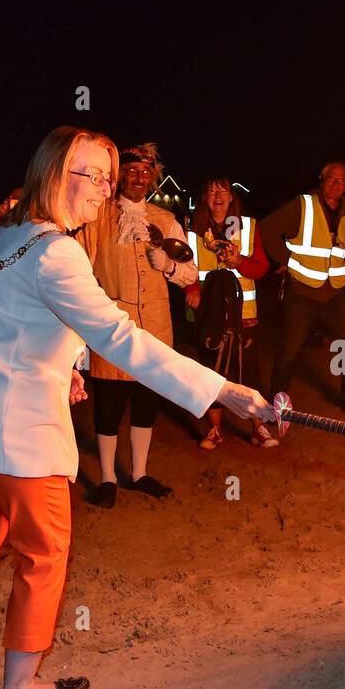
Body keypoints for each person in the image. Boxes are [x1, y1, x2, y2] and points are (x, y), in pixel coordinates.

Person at [0, 127, 274, 689]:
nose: (103, 189)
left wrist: (68, 364)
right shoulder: (57, 250)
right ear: (53, 173)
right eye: (91, 175)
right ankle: (20, 688)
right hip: (16, 436)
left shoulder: (8, 235)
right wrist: (221, 389)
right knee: (44, 552)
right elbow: (120, 337)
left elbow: (4, 320)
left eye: (107, 175)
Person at [75, 142, 197, 508]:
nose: (139, 178)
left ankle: (140, 473)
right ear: (118, 176)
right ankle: (109, 478)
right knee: (108, 406)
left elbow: (190, 271)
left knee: (146, 403)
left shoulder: (165, 220)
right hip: (112, 326)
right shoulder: (98, 219)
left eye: (146, 173)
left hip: (156, 327)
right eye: (131, 171)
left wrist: (170, 266)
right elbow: (78, 266)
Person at [263, 162, 345, 411]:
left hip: (333, 293)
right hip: (302, 292)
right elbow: (268, 229)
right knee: (290, 349)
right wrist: (288, 261)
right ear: (322, 178)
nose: (337, 184)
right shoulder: (303, 205)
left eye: (343, 181)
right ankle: (276, 402)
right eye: (333, 179)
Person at [185, 175, 275, 449]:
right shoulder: (192, 230)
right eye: (211, 191)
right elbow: (185, 267)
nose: (218, 196)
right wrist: (191, 288)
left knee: (247, 372)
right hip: (209, 316)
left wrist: (240, 261)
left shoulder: (248, 227)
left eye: (222, 190)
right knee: (211, 372)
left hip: (244, 315)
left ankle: (259, 426)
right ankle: (214, 429)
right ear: (204, 198)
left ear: (232, 197)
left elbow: (262, 268)